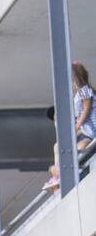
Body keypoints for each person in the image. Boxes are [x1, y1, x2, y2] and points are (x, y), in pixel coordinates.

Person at [43, 62, 96, 191]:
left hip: (91, 131)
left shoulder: (85, 90)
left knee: (79, 149)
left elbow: (86, 111)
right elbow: (78, 114)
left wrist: (76, 127)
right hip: (86, 132)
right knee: (58, 146)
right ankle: (58, 174)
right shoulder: (78, 95)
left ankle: (62, 172)